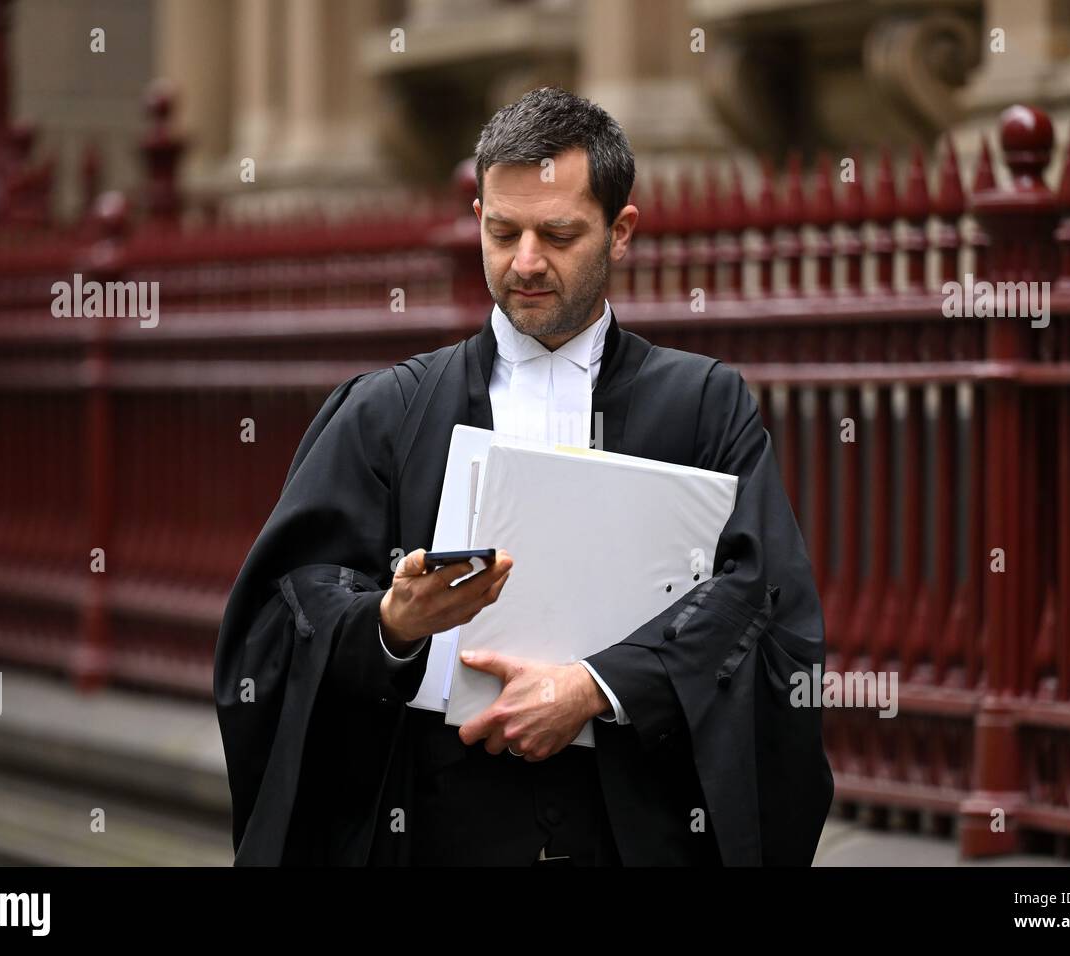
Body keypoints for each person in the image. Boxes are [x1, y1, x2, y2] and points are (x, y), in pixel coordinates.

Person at [214, 86, 833, 866]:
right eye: (502, 232)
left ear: (621, 231)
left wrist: (598, 688)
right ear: (477, 217)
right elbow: (280, 616)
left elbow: (758, 599)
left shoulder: (704, 406)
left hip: (635, 831)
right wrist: (391, 625)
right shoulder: (386, 413)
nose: (526, 262)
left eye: (559, 233)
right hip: (435, 830)